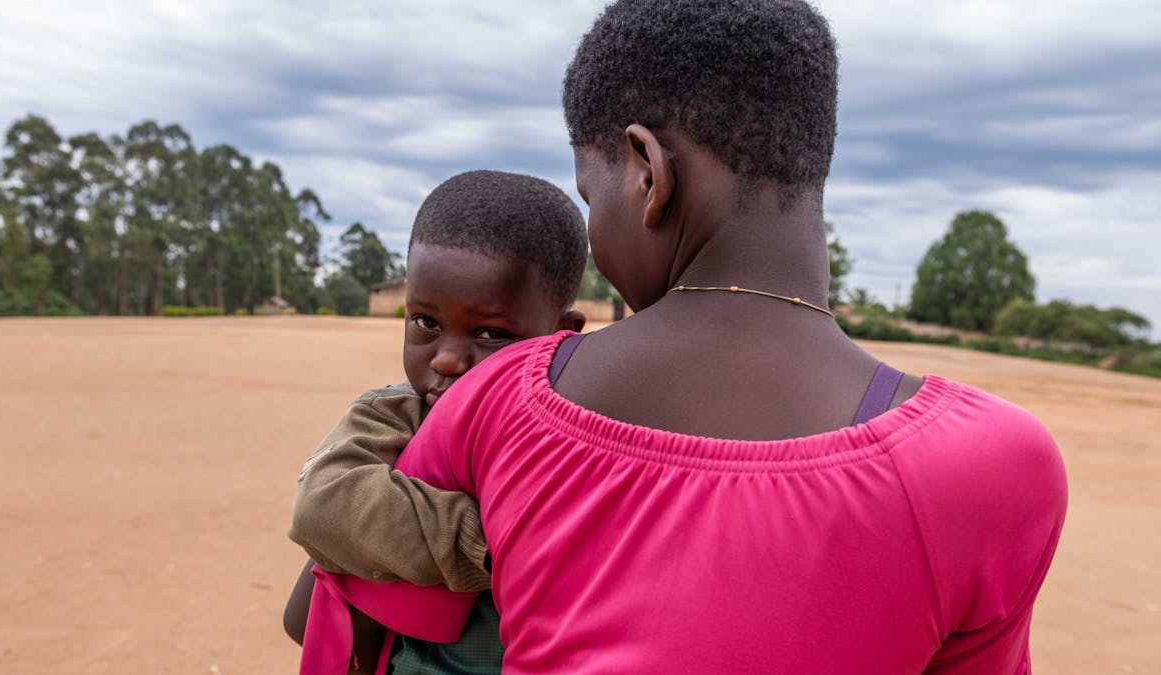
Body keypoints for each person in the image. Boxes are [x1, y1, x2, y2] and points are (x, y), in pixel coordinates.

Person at [300, 0, 1068, 672]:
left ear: (645, 173)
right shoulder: (996, 466)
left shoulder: (501, 399)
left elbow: (331, 614)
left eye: (586, 193)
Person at [286, 169, 587, 674]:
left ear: (562, 334)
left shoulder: (575, 432)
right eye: (426, 322)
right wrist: (500, 545)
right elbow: (322, 504)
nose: (447, 359)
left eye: (490, 333)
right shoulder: (398, 413)